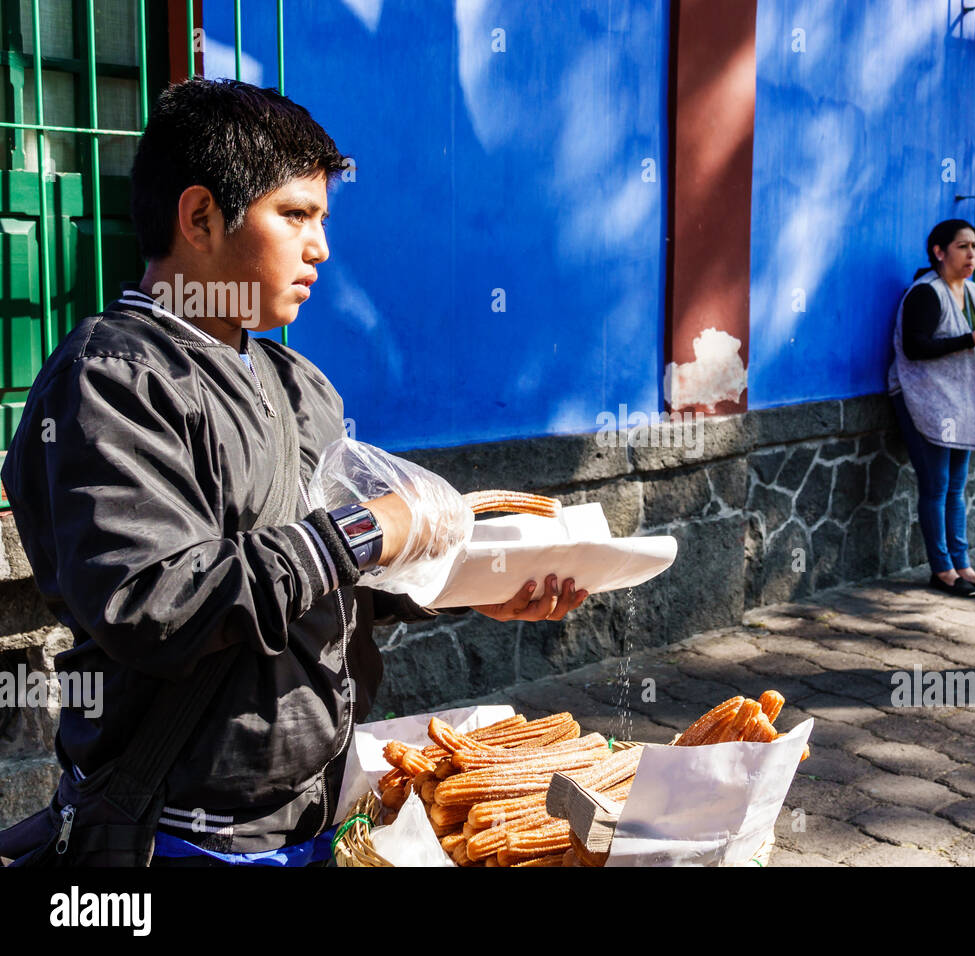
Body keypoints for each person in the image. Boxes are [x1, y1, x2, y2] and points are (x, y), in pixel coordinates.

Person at [0, 78, 588, 866]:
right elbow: (153, 603)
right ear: (200, 217)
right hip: (179, 838)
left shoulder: (301, 387)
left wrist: (481, 586)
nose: (321, 248)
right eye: (295, 216)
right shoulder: (112, 380)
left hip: (315, 818)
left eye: (323, 219)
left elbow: (327, 586)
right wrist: (367, 526)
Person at [885, 219, 975, 598]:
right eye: (962, 246)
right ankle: (941, 570)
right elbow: (914, 347)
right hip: (924, 397)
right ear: (939, 252)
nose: (972, 254)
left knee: (957, 487)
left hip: (959, 398)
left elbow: (968, 343)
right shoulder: (925, 294)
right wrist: (968, 340)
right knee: (936, 485)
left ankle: (964, 566)